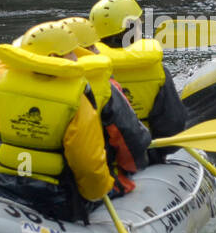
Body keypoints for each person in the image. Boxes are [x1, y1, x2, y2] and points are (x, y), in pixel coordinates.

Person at [0, 20, 113, 224]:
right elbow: (88, 163)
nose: (76, 57)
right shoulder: (77, 99)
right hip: (53, 196)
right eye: (71, 52)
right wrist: (97, 193)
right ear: (55, 57)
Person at [89, 0, 188, 162]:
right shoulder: (157, 70)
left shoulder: (86, 70)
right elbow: (173, 127)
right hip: (148, 155)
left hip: (102, 159)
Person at [60, 16, 151, 195]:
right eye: (93, 47)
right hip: (83, 187)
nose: (98, 51)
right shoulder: (105, 87)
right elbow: (131, 143)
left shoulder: (13, 84)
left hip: (15, 182)